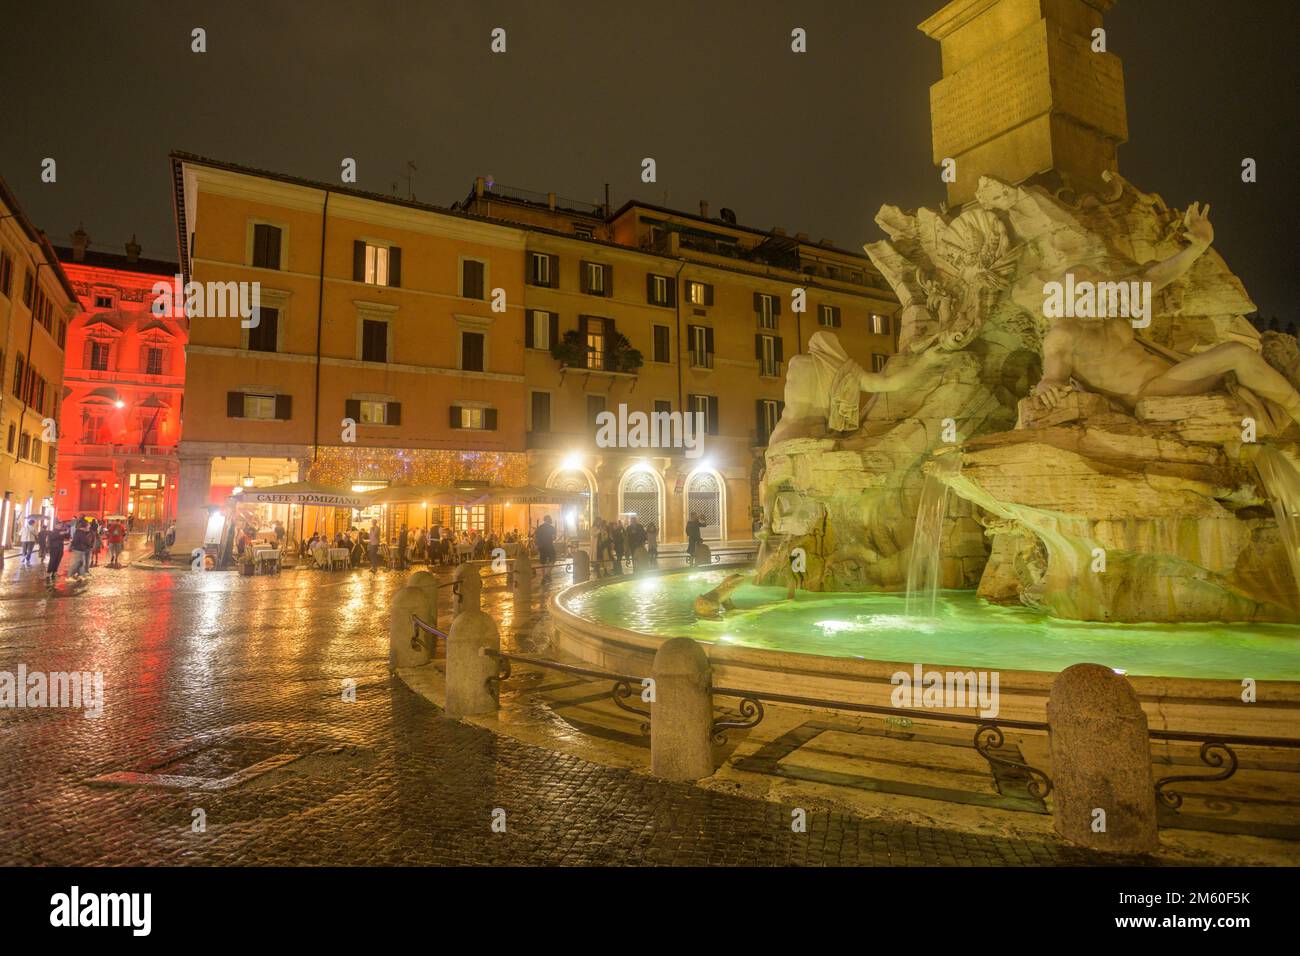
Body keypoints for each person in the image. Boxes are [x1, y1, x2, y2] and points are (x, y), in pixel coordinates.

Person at [535, 514, 557, 582]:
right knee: (553, 559)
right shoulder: (552, 528)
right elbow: (553, 537)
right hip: (549, 545)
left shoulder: (539, 527)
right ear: (549, 520)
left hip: (541, 546)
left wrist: (537, 545)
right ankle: (547, 574)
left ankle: (543, 577)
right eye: (550, 519)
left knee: (543, 562)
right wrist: (553, 537)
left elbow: (536, 538)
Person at [45, 521, 67, 586]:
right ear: (55, 525)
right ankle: (49, 572)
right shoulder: (52, 532)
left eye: (61, 525)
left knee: (58, 560)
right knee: (52, 560)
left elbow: (65, 537)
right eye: (59, 525)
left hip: (60, 547)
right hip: (54, 548)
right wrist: (60, 534)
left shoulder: (62, 531)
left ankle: (54, 571)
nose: (60, 526)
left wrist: (65, 532)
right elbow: (52, 538)